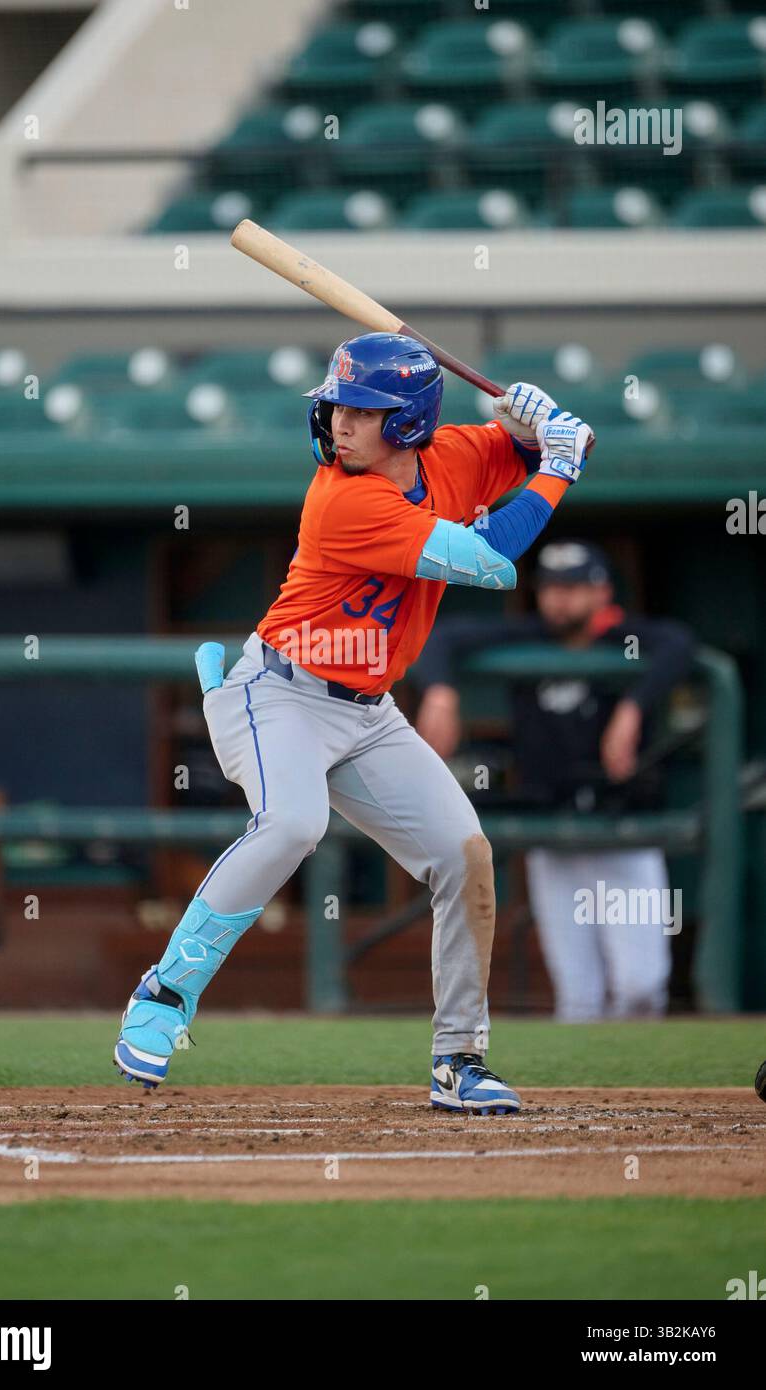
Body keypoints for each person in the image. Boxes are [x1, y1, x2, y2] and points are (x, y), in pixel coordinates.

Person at [114, 333, 594, 1113]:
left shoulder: (459, 456)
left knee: (464, 855)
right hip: (277, 695)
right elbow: (489, 559)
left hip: (370, 713)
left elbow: (556, 443)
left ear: (407, 422)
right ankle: (164, 995)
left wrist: (536, 422)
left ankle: (459, 1061)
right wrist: (559, 463)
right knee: (293, 822)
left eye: (364, 410)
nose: (340, 422)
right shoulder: (343, 498)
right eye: (336, 405)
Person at [414, 540, 694, 1021]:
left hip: (624, 828)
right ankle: (592, 1095)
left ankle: (642, 1087)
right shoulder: (528, 637)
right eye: (551, 588)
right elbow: (443, 637)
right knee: (578, 995)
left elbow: (681, 644)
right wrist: (440, 692)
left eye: (574, 587)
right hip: (552, 831)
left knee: (641, 986)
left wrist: (631, 707)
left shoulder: (628, 639)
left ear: (602, 590)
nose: (560, 599)